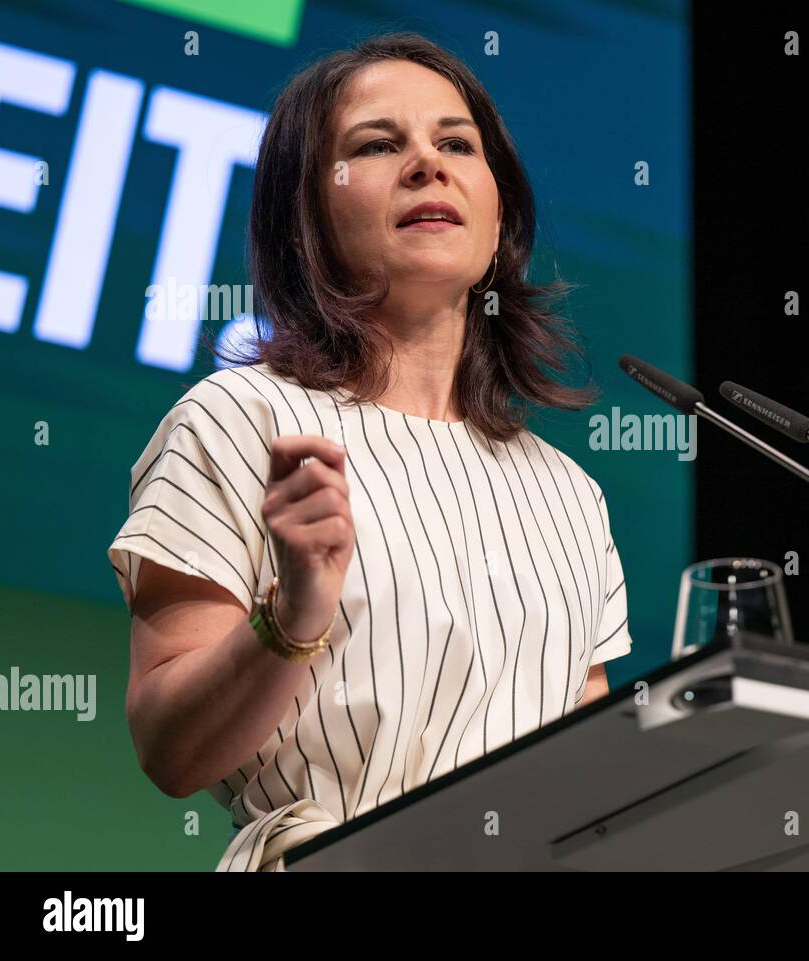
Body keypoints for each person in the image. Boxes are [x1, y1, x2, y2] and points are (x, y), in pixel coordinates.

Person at [106, 32, 632, 872]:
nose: (428, 163)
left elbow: (591, 777)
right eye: (379, 145)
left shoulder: (568, 492)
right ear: (308, 215)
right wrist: (293, 617)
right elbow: (169, 749)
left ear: (500, 220)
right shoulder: (239, 420)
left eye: (456, 143)